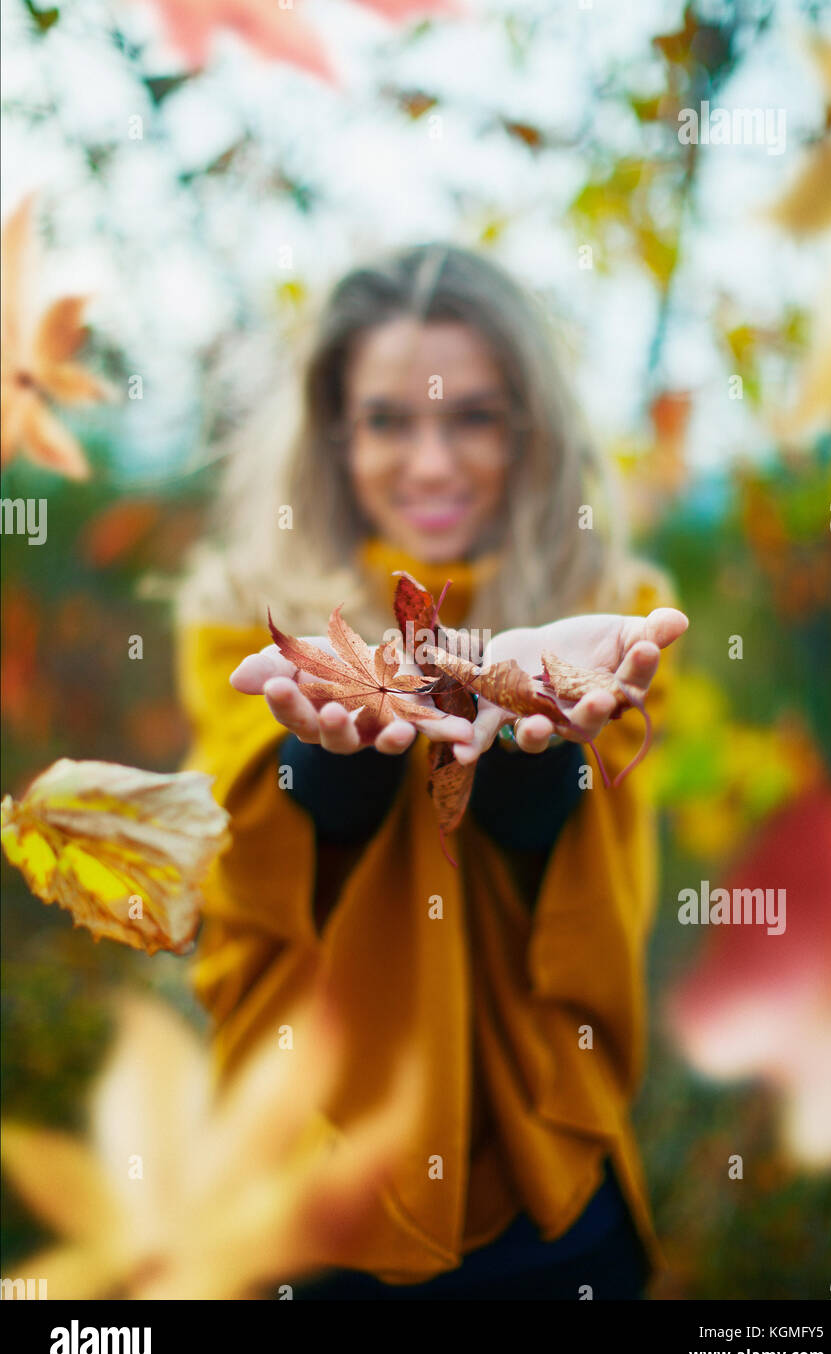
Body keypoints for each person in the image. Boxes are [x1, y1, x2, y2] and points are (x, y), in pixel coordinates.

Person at [172, 242, 688, 1299]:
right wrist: (332, 755)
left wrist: (517, 723)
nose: (433, 461)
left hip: (544, 1194)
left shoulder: (616, 612)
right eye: (388, 420)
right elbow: (246, 876)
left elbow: (589, 877)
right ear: (333, 433)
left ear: (529, 430)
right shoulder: (239, 608)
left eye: (473, 417)